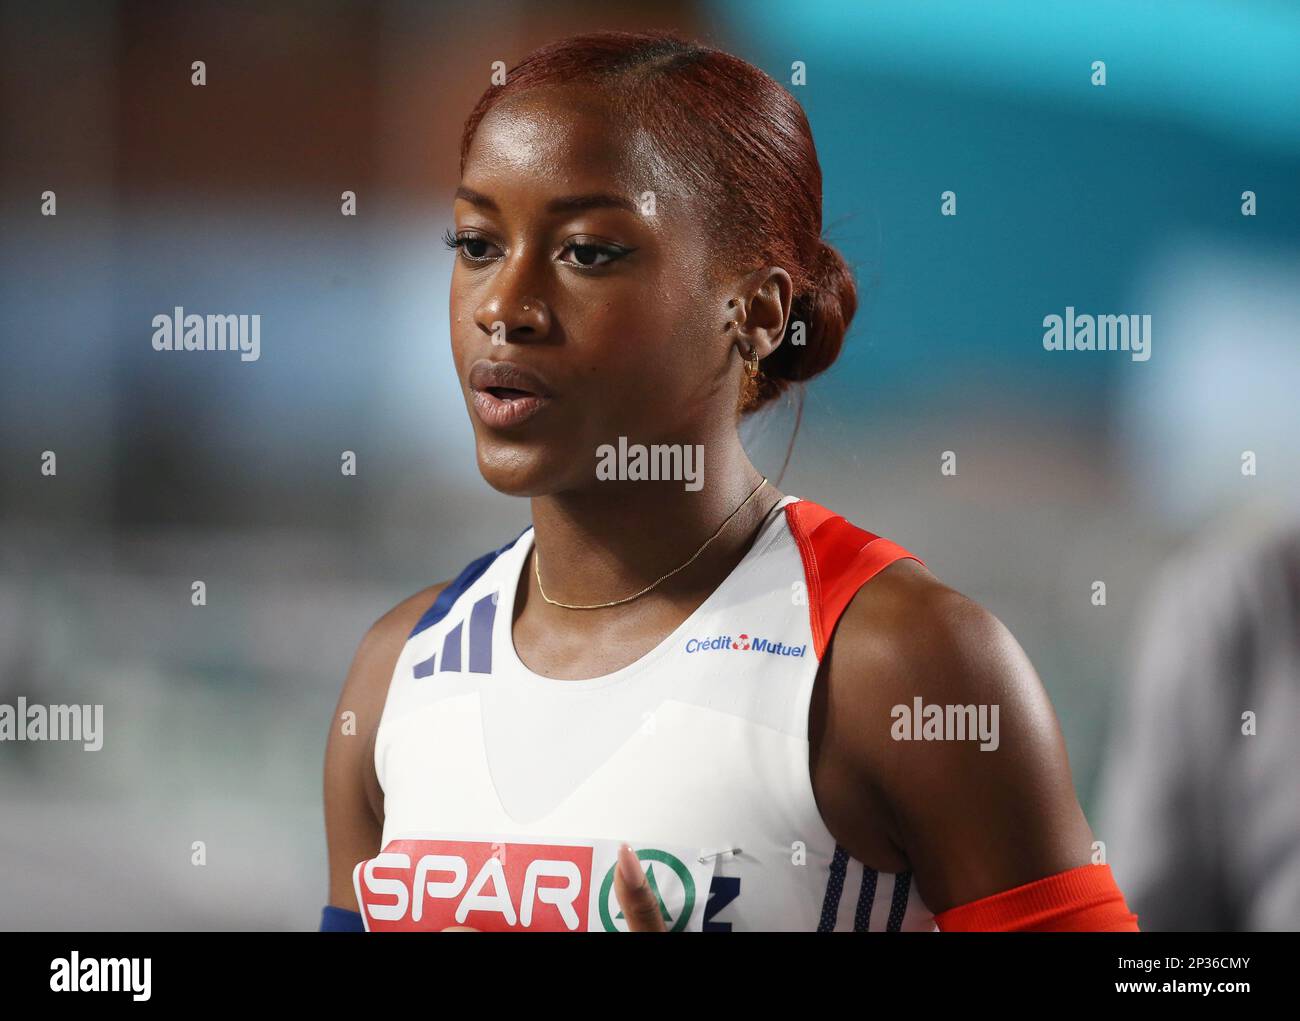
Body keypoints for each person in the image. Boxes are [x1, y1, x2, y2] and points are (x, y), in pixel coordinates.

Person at [321, 29, 1138, 932]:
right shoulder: (399, 672)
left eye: (588, 252)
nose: (503, 308)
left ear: (755, 311)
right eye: (476, 243)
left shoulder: (899, 664)